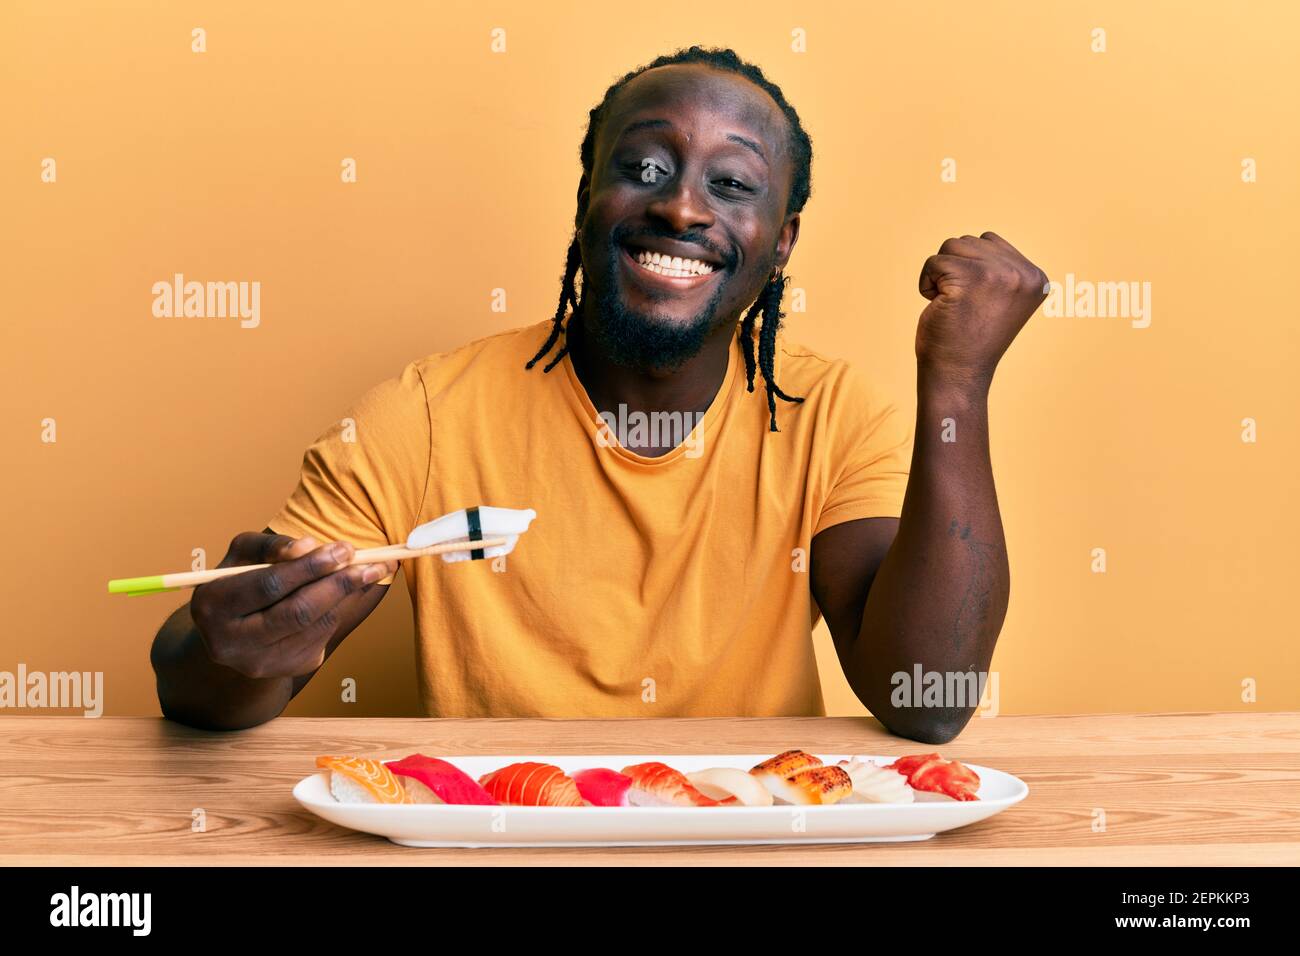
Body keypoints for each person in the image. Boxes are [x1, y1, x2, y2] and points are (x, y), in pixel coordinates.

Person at [150, 46, 1047, 740]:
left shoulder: (833, 417)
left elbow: (928, 700)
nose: (683, 209)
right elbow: (204, 691)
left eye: (731, 185)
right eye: (646, 168)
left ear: (780, 245)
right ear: (587, 196)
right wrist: (238, 651)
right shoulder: (424, 416)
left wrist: (958, 382)